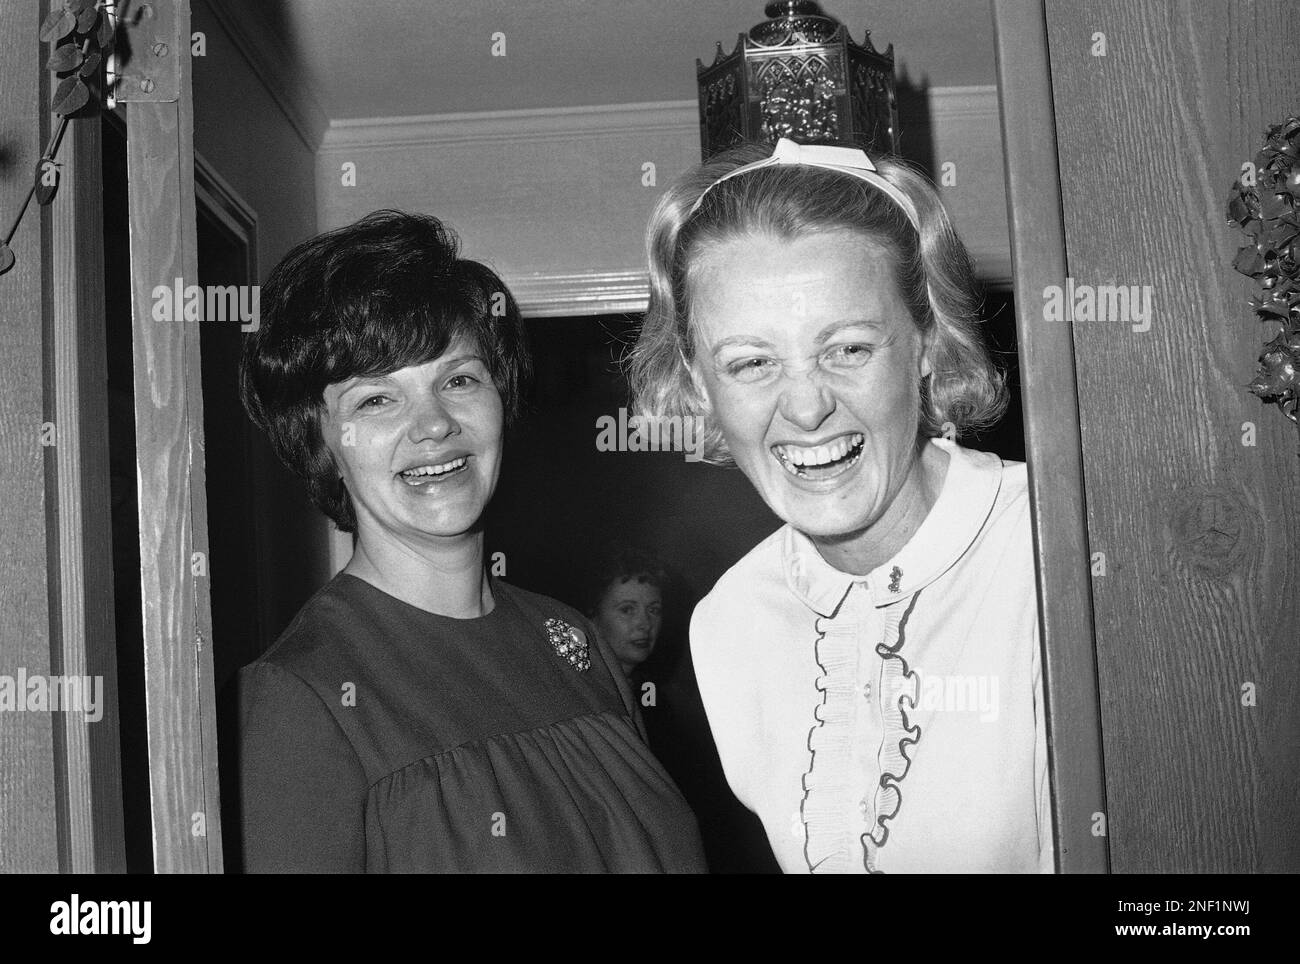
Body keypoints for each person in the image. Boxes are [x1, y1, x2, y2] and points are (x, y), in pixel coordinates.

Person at [233, 209, 705, 873]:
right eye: (375, 400)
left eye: (458, 379)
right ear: (321, 444)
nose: (433, 425)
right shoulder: (301, 698)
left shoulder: (573, 641)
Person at [629, 137, 1053, 873]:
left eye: (849, 349)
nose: (804, 405)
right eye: (752, 362)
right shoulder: (728, 623)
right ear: (698, 383)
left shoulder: (1058, 555)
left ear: (928, 343)